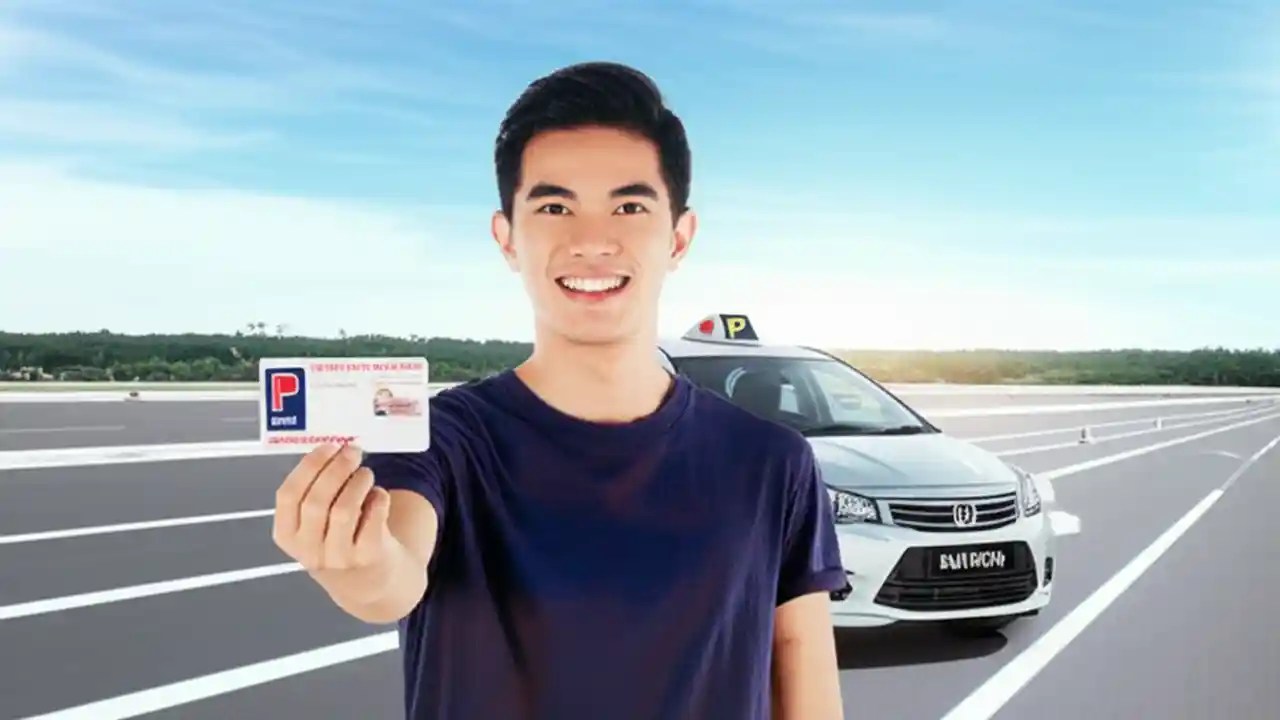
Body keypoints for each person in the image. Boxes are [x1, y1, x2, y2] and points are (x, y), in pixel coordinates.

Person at [271, 61, 847, 720]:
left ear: (679, 237)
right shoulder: (439, 441)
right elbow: (392, 575)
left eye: (629, 207)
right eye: (554, 207)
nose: (592, 241)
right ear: (507, 238)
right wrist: (359, 562)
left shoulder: (772, 463)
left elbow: (801, 664)